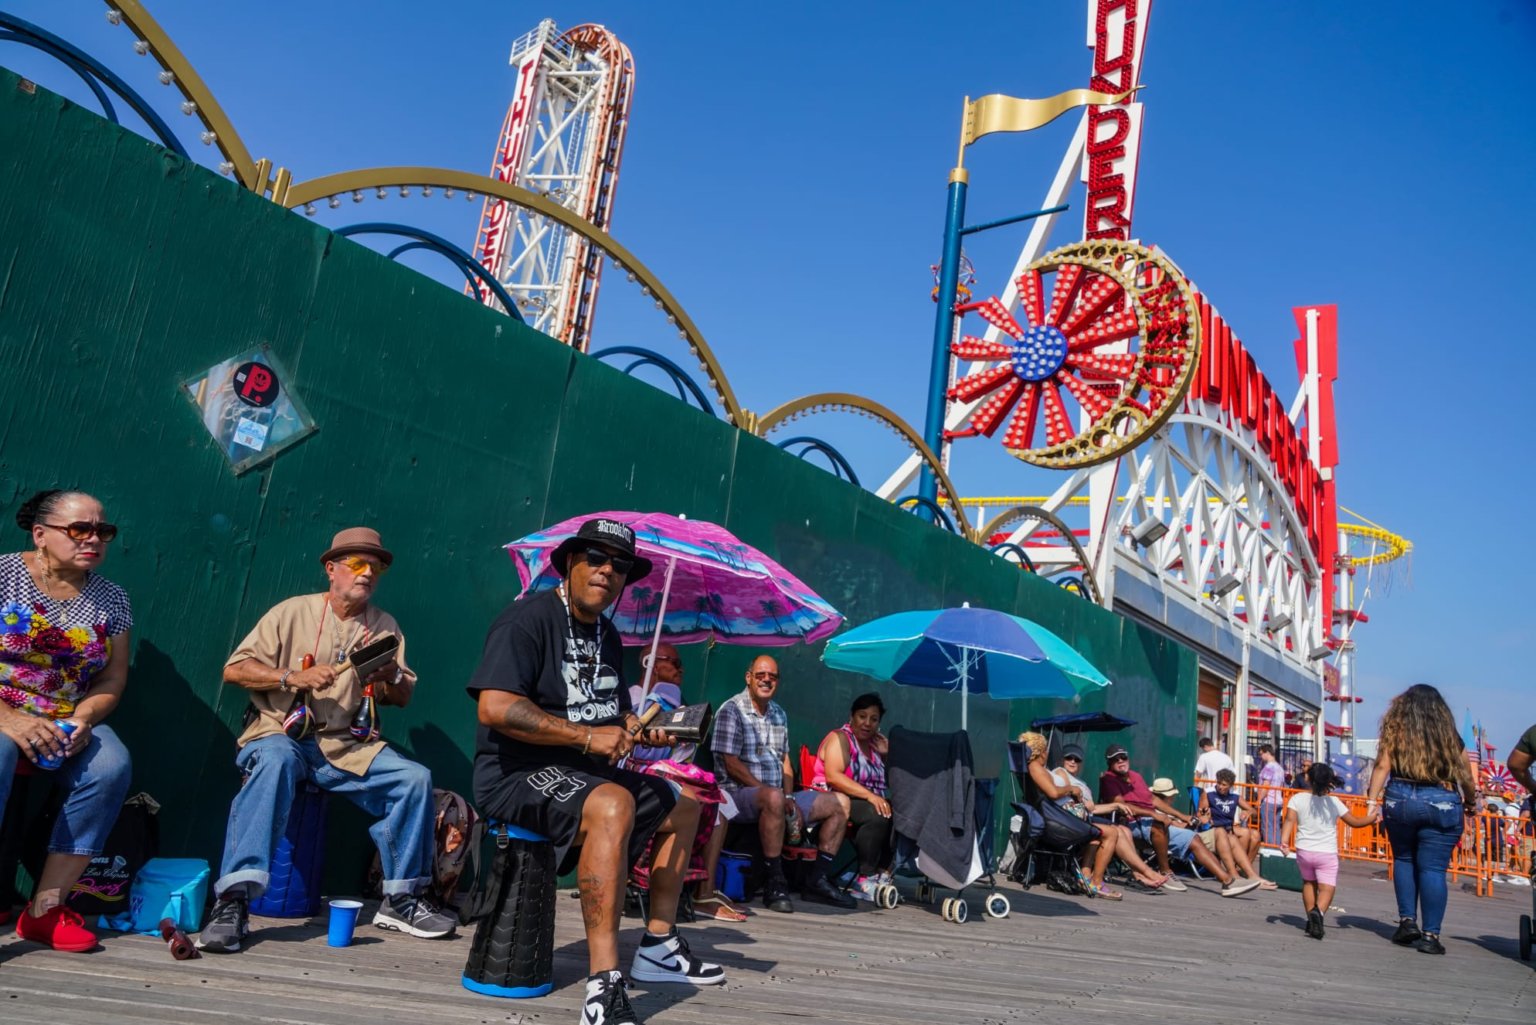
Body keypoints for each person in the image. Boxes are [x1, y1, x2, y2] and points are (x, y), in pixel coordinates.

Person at [469, 518, 723, 1025]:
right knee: (614, 803)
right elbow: (495, 707)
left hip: (578, 770)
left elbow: (601, 712)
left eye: (620, 565)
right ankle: (603, 988)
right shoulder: (527, 622)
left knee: (686, 805)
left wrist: (636, 726)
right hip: (514, 773)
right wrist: (586, 738)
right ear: (569, 563)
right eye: (596, 559)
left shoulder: (606, 633)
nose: (608, 571)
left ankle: (656, 944)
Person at [202, 527, 453, 954]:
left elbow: (403, 696)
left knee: (414, 778)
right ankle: (233, 900)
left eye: (376, 566)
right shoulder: (291, 612)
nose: (367, 572)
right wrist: (290, 677)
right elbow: (235, 668)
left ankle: (401, 898)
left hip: (345, 745)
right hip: (278, 733)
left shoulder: (385, 625)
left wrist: (389, 676)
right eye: (357, 563)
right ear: (331, 569)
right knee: (276, 761)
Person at [0, 490, 133, 952]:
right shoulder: (4, 576)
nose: (93, 539)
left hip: (62, 716)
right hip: (2, 709)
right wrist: (10, 719)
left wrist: (83, 719)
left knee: (109, 765)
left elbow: (112, 681)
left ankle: (44, 910)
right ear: (40, 534)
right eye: (80, 529)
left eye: (102, 531)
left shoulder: (112, 599)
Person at [711, 654, 853, 912]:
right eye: (761, 675)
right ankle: (775, 881)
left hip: (777, 795)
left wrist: (790, 797)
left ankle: (816, 880)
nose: (767, 680)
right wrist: (771, 793)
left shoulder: (779, 714)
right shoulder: (731, 710)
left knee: (840, 803)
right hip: (736, 795)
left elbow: (785, 762)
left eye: (772, 676)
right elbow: (731, 765)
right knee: (773, 798)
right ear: (749, 677)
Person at [629, 642, 746, 923]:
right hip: (636, 775)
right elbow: (639, 749)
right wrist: (661, 698)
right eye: (674, 662)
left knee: (721, 803)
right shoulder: (632, 698)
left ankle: (703, 893)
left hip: (672, 772)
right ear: (651, 665)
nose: (681, 669)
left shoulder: (675, 699)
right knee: (690, 800)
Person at [1365, 684, 1477, 955]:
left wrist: (1371, 802)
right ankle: (1430, 935)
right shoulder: (1449, 735)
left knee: (1404, 859)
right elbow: (1465, 775)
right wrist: (1471, 802)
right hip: (1440, 799)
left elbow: (1382, 766)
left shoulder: (1397, 731)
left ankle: (1407, 923)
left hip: (1400, 798)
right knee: (1433, 869)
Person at [1098, 744, 1261, 896]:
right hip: (1130, 824)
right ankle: (1165, 871)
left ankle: (1228, 881)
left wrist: (1183, 816)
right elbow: (1121, 805)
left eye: (1123, 757)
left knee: (1193, 839)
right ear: (1109, 762)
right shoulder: (1108, 779)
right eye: (1115, 759)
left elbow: (1154, 801)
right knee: (1160, 824)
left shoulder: (1136, 776)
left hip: (1152, 822)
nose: (1120, 761)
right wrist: (1154, 814)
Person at [1018, 735, 1168, 899]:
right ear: (1040, 751)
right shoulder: (1037, 767)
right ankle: (1098, 882)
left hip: (1069, 816)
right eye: (1045, 749)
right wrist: (1071, 789)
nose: (1047, 753)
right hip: (1062, 820)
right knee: (1111, 832)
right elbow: (1053, 792)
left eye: (1077, 759)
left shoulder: (1039, 768)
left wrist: (1113, 805)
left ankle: (1091, 876)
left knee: (1110, 832)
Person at [809, 693, 894, 901]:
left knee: (902, 813)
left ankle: (883, 875)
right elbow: (834, 776)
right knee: (877, 812)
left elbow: (891, 782)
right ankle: (864, 878)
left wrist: (887, 755)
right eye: (862, 716)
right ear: (852, 716)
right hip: (833, 799)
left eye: (874, 719)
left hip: (862, 801)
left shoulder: (875, 747)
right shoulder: (840, 738)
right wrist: (871, 797)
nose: (867, 723)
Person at [1281, 764, 1379, 940]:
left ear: (1308, 778)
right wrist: (1371, 818)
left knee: (1309, 883)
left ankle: (1311, 918)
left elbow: (1289, 820)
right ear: (1329, 781)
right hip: (1326, 852)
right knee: (1327, 888)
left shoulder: (1297, 799)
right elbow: (1355, 822)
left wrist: (1284, 841)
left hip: (1304, 850)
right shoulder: (1334, 802)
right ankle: (1318, 913)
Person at [1198, 768, 1270, 887]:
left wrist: (1247, 812)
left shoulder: (1235, 795)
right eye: (1219, 783)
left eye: (1224, 785)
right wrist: (1205, 817)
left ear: (1230, 785)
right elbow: (1201, 814)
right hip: (1215, 828)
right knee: (1246, 833)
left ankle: (1243, 870)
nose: (1220, 787)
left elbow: (1252, 810)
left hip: (1228, 828)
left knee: (1256, 835)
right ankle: (1237, 870)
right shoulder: (1208, 793)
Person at [1256, 744, 1287, 844]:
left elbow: (1266, 785)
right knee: (1275, 827)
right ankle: (1276, 849)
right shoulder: (1280, 768)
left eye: (1261, 754)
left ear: (1267, 753)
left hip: (1269, 800)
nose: (1261, 757)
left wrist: (1259, 799)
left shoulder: (1268, 768)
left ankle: (1270, 848)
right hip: (1278, 800)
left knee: (1267, 827)